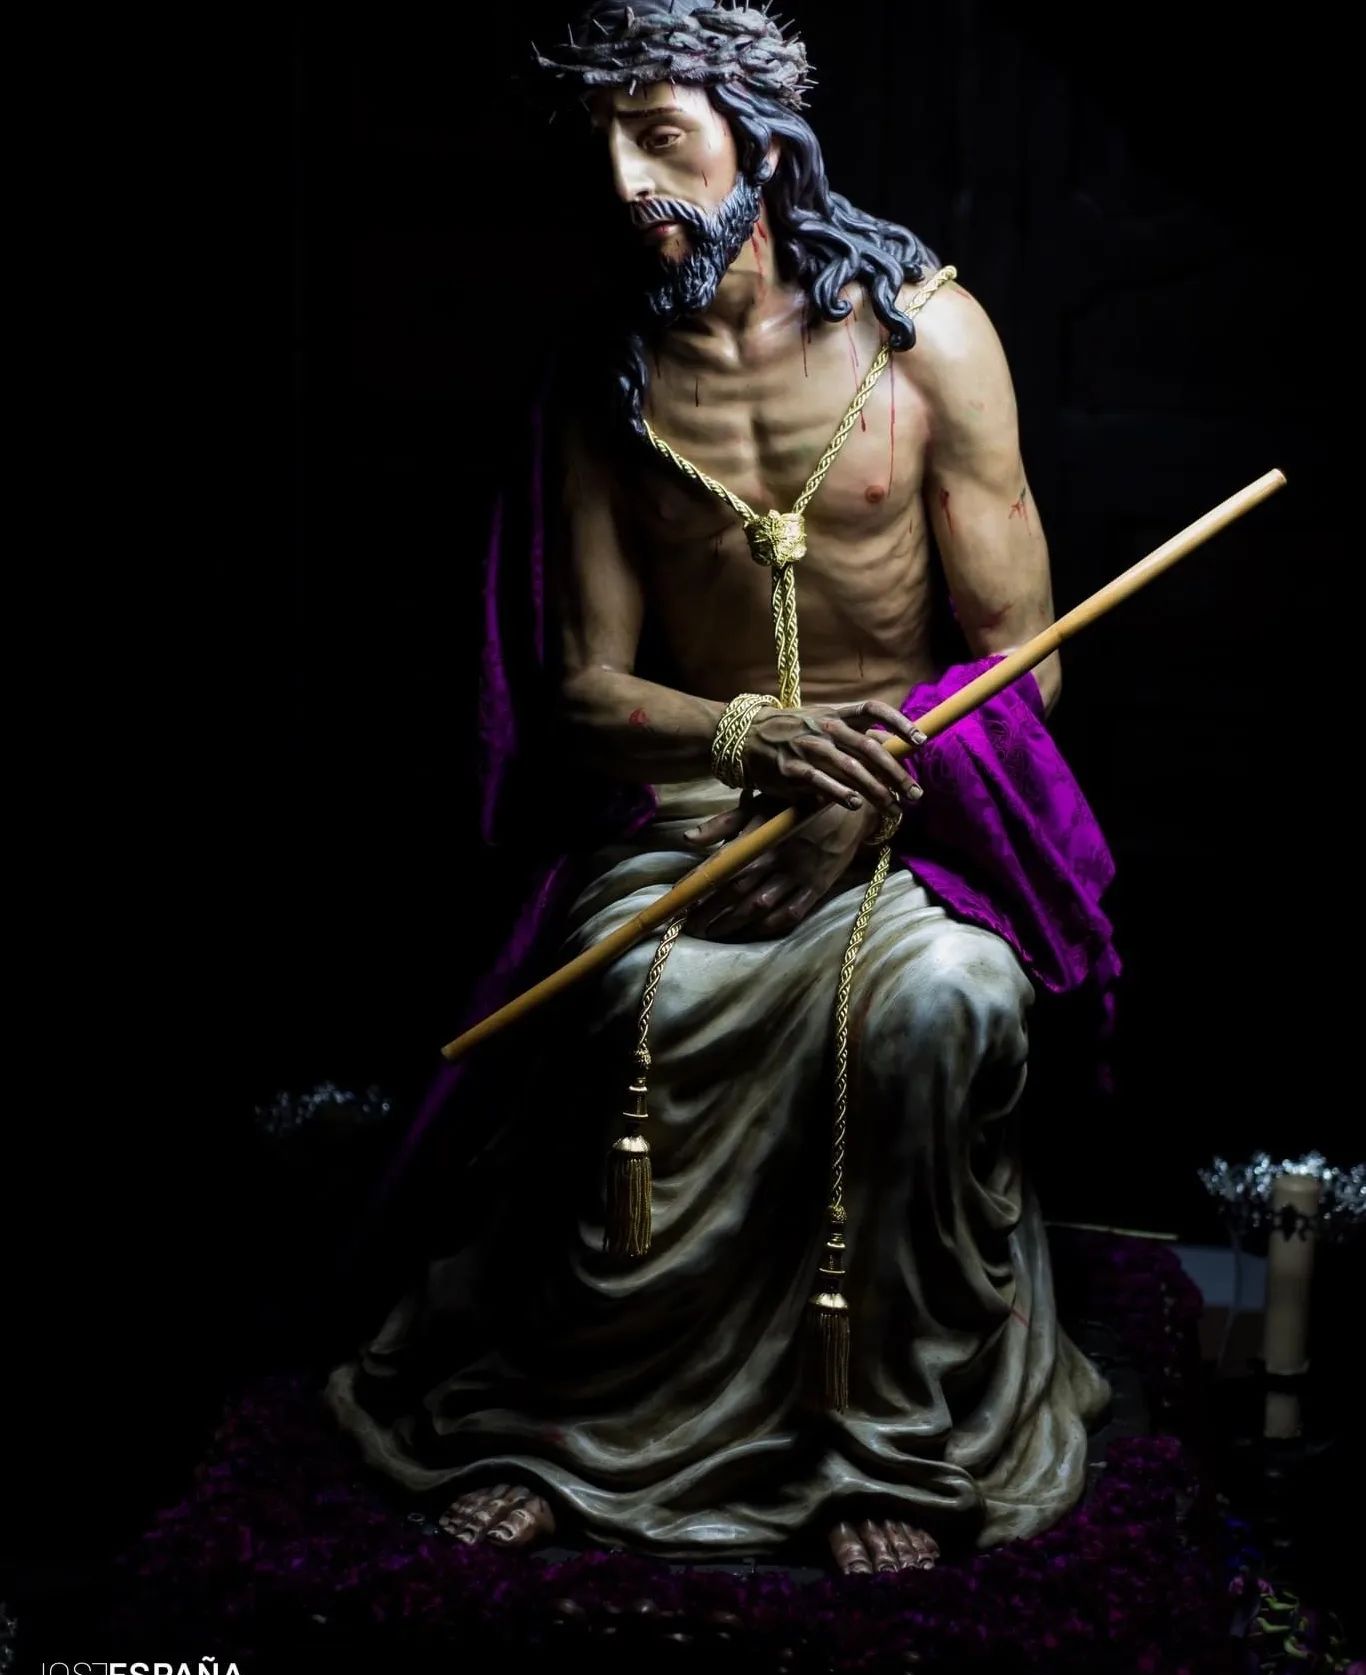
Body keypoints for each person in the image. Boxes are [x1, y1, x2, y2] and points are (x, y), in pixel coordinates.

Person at [327, 0, 1119, 1577]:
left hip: (913, 815)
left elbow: (1021, 665)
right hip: (692, 816)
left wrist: (869, 793)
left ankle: (877, 1440)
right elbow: (576, 690)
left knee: (945, 1008)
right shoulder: (599, 390)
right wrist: (745, 741)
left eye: (662, 136)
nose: (629, 184)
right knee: (623, 1012)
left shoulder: (922, 335)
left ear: (762, 138)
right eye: (601, 151)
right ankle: (573, 1428)